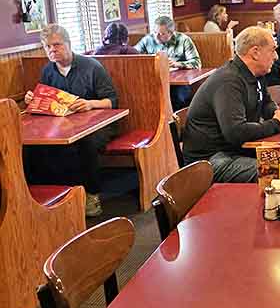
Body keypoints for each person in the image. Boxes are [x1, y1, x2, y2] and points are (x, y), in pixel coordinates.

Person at [23, 24, 117, 217]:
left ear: (68, 43)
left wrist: (91, 104)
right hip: (63, 126)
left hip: (98, 124)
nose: (52, 50)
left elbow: (112, 101)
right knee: (31, 147)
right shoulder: (48, 71)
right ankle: (49, 197)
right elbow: (48, 101)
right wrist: (34, 99)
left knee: (86, 144)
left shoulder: (92, 67)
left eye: (56, 45)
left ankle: (92, 195)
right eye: (47, 46)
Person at [182, 26, 280, 182]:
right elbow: (235, 132)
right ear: (255, 52)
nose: (276, 56)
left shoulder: (256, 74)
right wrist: (277, 124)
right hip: (210, 160)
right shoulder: (229, 81)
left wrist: (277, 114)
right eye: (272, 50)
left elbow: (266, 103)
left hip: (235, 150)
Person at [135, 16, 201, 109]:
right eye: (155, 32)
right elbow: (133, 55)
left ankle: (175, 121)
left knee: (177, 97)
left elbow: (197, 62)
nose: (156, 36)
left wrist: (177, 64)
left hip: (177, 84)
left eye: (161, 33)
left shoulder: (183, 40)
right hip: (155, 80)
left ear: (170, 33)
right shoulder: (148, 39)